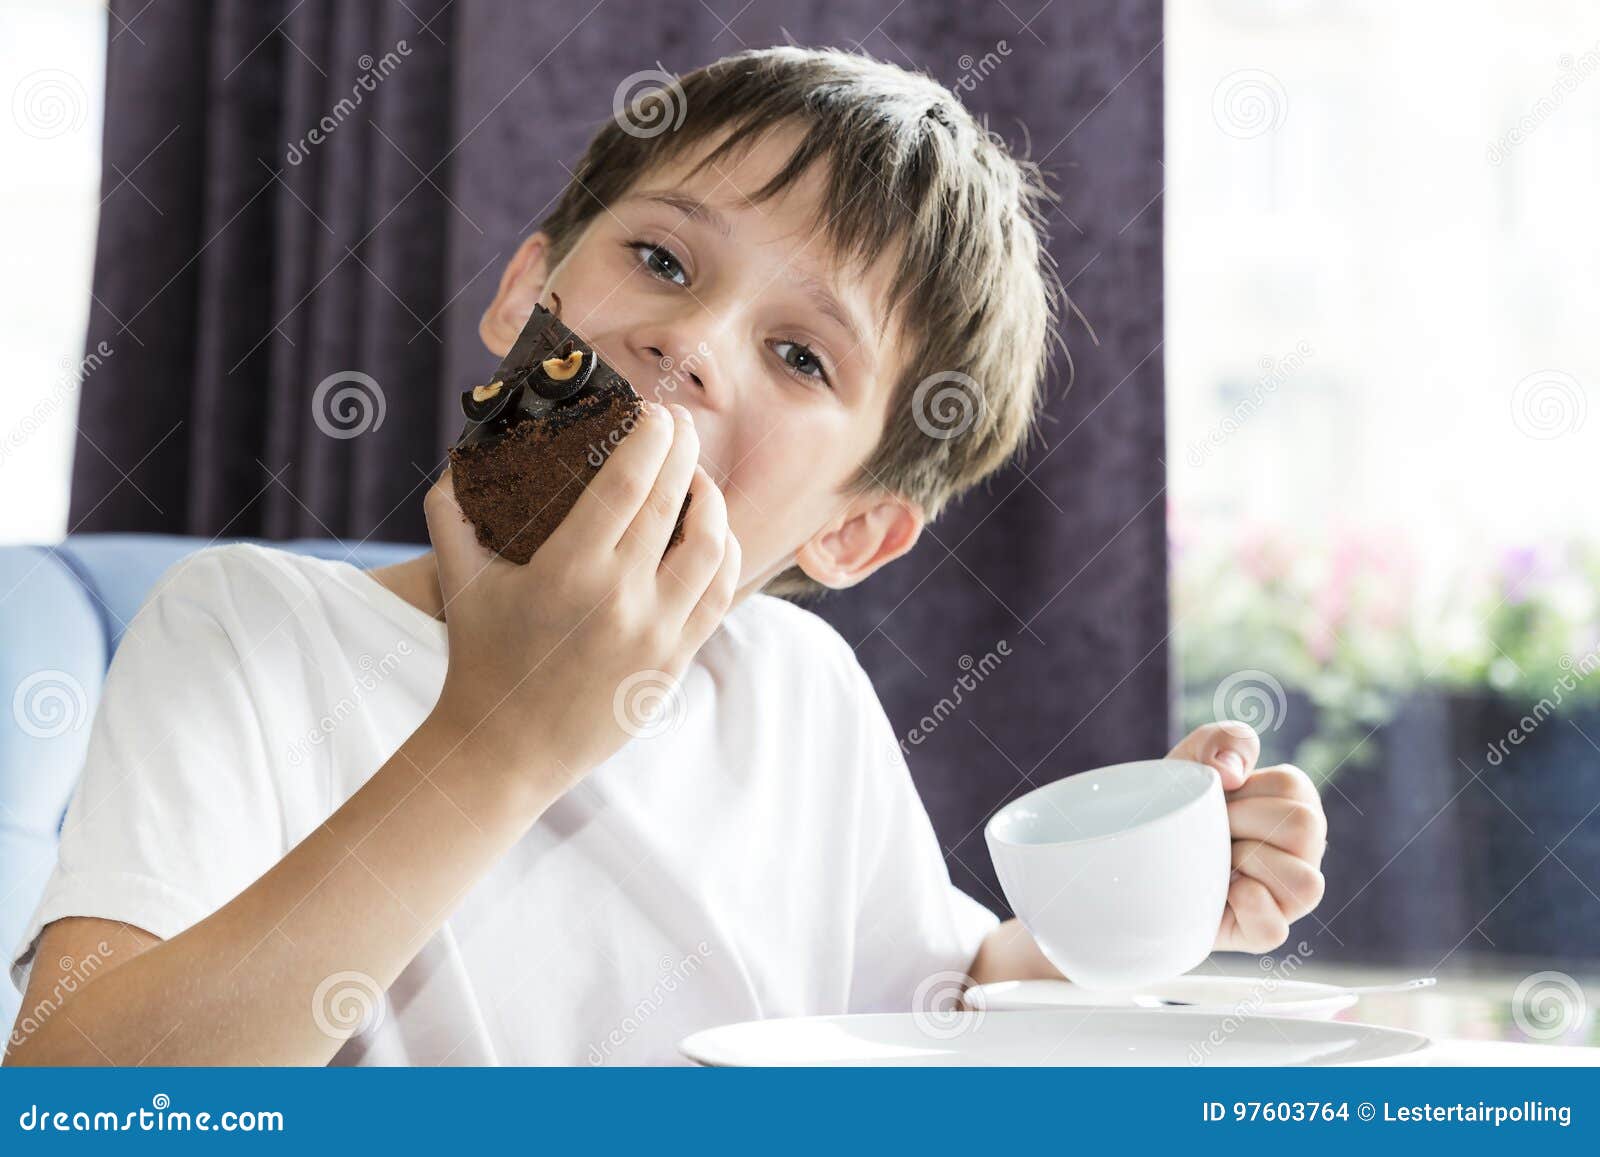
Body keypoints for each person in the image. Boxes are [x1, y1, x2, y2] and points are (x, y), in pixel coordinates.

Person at [7, 46, 1325, 1065]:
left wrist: (1138, 909)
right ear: (530, 294)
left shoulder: (798, 691)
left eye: (801, 355)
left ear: (850, 530)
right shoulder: (246, 631)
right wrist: (503, 735)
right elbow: (81, 1100)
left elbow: (951, 996)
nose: (694, 341)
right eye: (661, 256)